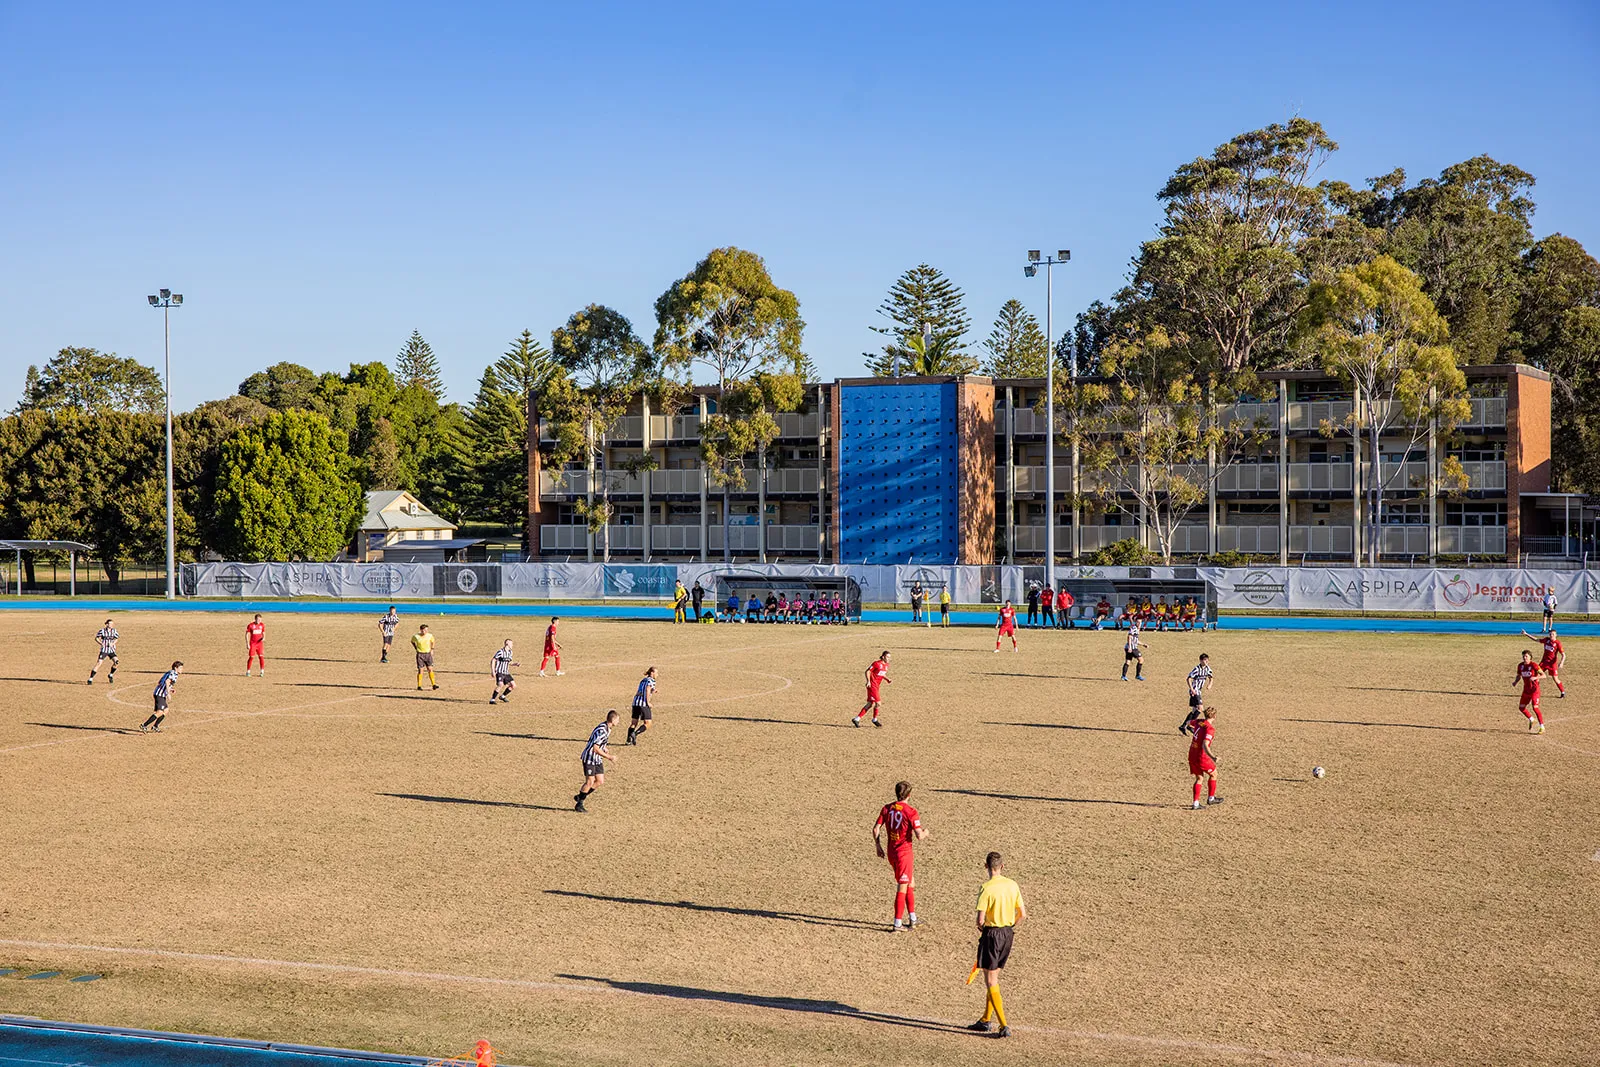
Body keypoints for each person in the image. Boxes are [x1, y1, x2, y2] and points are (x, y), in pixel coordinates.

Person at [966, 851, 1025, 1038]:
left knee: (990, 981)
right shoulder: (1012, 885)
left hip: (992, 934)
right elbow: (1022, 914)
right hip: (1008, 933)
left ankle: (1003, 1025)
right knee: (994, 979)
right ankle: (985, 1019)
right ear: (1002, 867)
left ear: (986, 867)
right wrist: (1009, 925)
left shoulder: (986, 888)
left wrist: (985, 930)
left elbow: (980, 920)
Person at [873, 780, 928, 931]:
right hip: (904, 854)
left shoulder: (887, 808)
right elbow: (919, 836)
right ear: (909, 795)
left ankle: (913, 918)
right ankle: (897, 923)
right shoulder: (911, 812)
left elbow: (876, 828)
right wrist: (926, 832)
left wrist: (878, 845)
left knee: (910, 883)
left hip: (892, 852)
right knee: (902, 886)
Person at [574, 710, 619, 812]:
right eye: (618, 720)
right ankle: (579, 804)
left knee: (600, 781)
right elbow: (595, 748)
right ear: (613, 720)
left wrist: (604, 747)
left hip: (597, 759)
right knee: (590, 781)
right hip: (590, 758)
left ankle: (580, 796)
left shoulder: (608, 728)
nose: (618, 722)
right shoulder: (602, 730)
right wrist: (609, 757)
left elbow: (599, 743)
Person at [1186, 705, 1222, 808]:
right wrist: (1213, 757)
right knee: (1214, 774)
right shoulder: (1210, 729)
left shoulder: (1199, 722)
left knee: (1199, 778)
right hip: (1201, 756)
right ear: (1214, 716)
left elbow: (1189, 723)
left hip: (1192, 754)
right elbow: (1205, 745)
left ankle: (1196, 803)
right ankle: (1211, 798)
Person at [1520, 626, 1567, 697]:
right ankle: (1534, 691)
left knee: (1555, 679)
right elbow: (1536, 640)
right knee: (1536, 676)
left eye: (1553, 634)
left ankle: (1562, 692)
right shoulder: (1546, 640)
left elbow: (1563, 655)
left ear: (1556, 635)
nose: (1551, 636)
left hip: (1552, 664)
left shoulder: (1558, 643)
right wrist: (1526, 634)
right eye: (1550, 634)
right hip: (1544, 662)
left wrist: (1561, 663)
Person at [140, 661, 183, 733]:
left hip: (161, 694)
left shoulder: (171, 672)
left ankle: (155, 726)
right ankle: (144, 725)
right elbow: (167, 682)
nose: (182, 670)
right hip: (159, 694)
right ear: (176, 668)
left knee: (166, 711)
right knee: (160, 712)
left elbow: (162, 682)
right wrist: (168, 693)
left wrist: (170, 689)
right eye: (180, 668)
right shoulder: (173, 673)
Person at [853, 650, 891, 728]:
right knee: (878, 703)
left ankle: (857, 719)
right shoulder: (876, 663)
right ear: (883, 657)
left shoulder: (886, 665)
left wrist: (887, 679)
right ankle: (874, 719)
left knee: (870, 704)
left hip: (877, 686)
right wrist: (868, 681)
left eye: (890, 657)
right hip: (872, 686)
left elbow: (881, 674)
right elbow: (867, 671)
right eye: (887, 657)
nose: (889, 659)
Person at [1514, 649, 1546, 734]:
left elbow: (1544, 675)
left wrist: (1536, 678)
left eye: (1526, 656)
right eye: (1523, 656)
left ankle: (1542, 727)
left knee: (1535, 708)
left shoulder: (1534, 665)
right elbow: (1519, 675)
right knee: (1521, 707)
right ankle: (1531, 719)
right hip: (1526, 690)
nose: (1524, 658)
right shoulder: (1520, 666)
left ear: (1530, 658)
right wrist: (1515, 682)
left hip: (1534, 690)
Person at [627, 666, 658, 744]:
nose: (657, 675)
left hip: (635, 703)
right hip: (643, 704)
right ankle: (635, 734)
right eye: (656, 673)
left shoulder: (643, 680)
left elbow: (644, 689)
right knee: (648, 723)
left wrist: (653, 690)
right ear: (652, 673)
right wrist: (648, 702)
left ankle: (628, 739)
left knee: (634, 722)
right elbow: (647, 689)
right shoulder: (652, 681)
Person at [88, 618, 119, 685]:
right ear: (107, 624)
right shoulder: (102, 631)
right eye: (110, 623)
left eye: (112, 624)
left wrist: (113, 643)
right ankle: (90, 678)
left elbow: (116, 638)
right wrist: (101, 643)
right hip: (104, 650)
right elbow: (96, 638)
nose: (111, 625)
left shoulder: (114, 631)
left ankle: (110, 674)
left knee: (116, 662)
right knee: (99, 663)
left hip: (111, 650)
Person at [489, 639, 518, 704]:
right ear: (507, 644)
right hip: (500, 672)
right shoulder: (500, 652)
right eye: (511, 644)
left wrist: (515, 664)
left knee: (513, 685)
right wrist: (493, 671)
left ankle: (502, 696)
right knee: (500, 684)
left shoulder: (510, 652)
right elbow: (493, 660)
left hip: (506, 672)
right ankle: (492, 699)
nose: (512, 645)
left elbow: (509, 662)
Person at [413, 625, 439, 691]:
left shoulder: (430, 636)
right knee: (421, 670)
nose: (425, 631)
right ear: (421, 630)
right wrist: (416, 648)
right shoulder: (416, 636)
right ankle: (419, 686)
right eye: (424, 630)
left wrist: (432, 649)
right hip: (420, 655)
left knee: (430, 669)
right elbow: (412, 641)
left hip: (428, 654)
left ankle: (434, 684)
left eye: (426, 630)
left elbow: (433, 641)